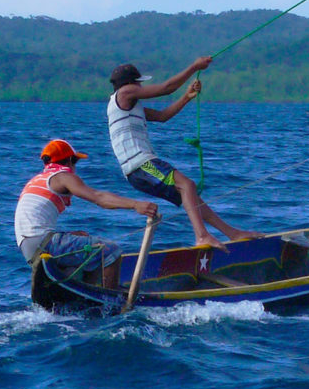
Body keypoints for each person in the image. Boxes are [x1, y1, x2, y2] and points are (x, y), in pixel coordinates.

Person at [107, 57, 260, 250]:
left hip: (140, 168)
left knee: (191, 196)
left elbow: (163, 116)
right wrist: (194, 67)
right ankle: (202, 236)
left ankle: (233, 233)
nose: (140, 86)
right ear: (130, 83)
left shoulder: (131, 107)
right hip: (140, 165)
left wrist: (186, 97)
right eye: (138, 83)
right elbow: (166, 88)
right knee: (187, 184)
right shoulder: (125, 92)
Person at [14, 137, 158, 289]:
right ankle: (109, 302)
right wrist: (136, 205)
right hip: (43, 242)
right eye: (75, 162)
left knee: (87, 251)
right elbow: (99, 198)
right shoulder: (63, 177)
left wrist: (69, 235)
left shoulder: (37, 180)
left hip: (28, 248)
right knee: (109, 251)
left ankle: (90, 292)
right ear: (69, 161)